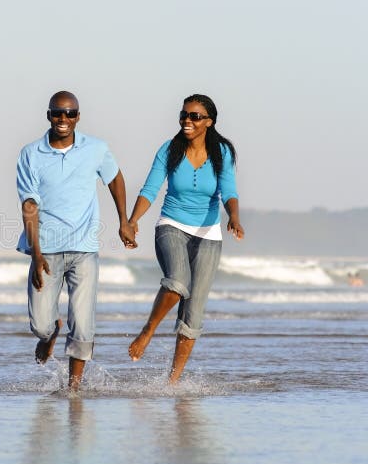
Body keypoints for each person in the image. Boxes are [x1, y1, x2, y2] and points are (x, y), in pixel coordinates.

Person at [16, 91, 136, 390]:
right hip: (46, 249)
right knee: (40, 325)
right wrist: (36, 254)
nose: (63, 119)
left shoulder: (96, 148)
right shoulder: (30, 153)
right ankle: (51, 333)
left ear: (78, 117)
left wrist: (124, 221)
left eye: (70, 113)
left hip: (84, 248)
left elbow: (115, 178)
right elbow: (29, 206)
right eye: (58, 113)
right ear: (48, 115)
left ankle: (74, 388)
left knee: (83, 324)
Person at [126, 93, 244, 383]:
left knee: (193, 314)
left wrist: (234, 217)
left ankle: (173, 382)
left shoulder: (222, 152)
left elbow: (229, 191)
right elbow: (150, 189)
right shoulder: (169, 149)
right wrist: (132, 221)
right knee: (177, 282)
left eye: (194, 116)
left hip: (208, 234)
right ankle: (148, 331)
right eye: (184, 115)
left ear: (209, 122)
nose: (187, 121)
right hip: (171, 225)